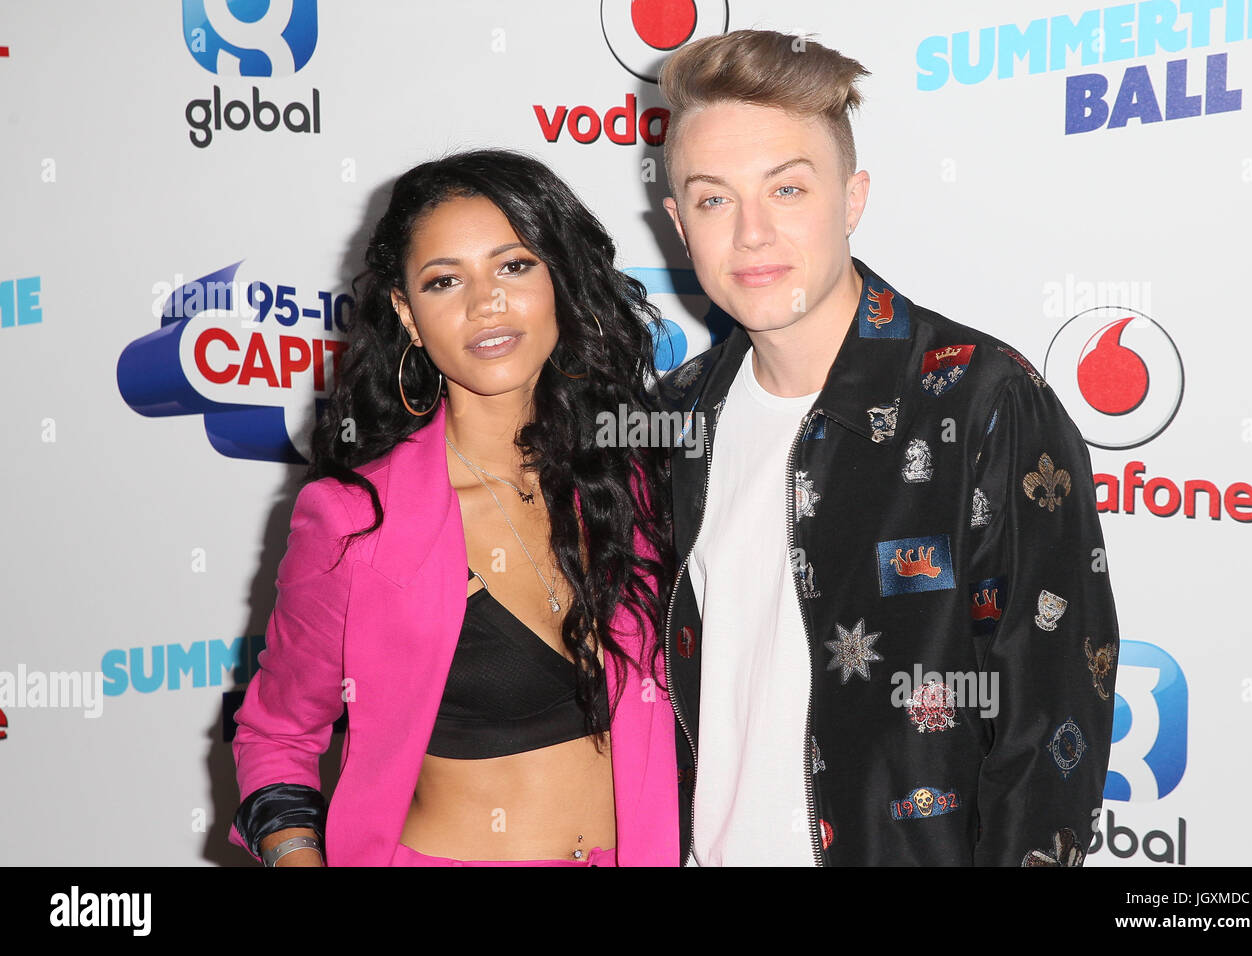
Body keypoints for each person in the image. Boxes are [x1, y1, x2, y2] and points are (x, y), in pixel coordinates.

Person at [653, 29, 1119, 866]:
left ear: (853, 197)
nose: (752, 234)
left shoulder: (983, 402)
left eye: (787, 189)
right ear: (678, 223)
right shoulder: (675, 419)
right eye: (714, 199)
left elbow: (1048, 734)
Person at [227, 149, 678, 866]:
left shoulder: (643, 481)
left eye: (514, 266)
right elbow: (276, 735)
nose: (485, 304)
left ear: (559, 279)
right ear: (407, 313)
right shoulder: (353, 519)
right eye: (445, 281)